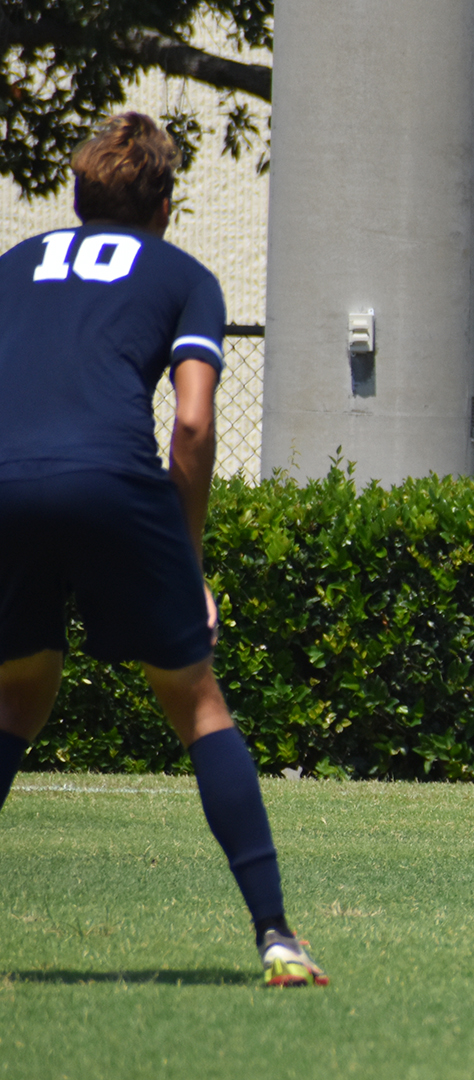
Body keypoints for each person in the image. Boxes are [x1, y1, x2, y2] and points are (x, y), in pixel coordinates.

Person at [0, 113, 326, 985]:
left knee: (19, 692)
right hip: (111, 480)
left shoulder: (11, 269)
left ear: (76, 196)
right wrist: (187, 560)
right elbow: (191, 425)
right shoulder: (184, 277)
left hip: (3, 483)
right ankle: (277, 937)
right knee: (196, 702)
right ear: (166, 206)